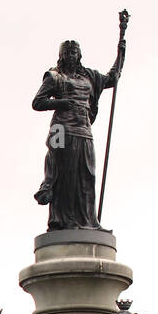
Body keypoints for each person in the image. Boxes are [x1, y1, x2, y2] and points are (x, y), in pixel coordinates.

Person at [32, 38, 125, 231]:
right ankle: (63, 220)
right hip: (61, 129)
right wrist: (60, 103)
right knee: (64, 173)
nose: (71, 55)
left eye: (74, 52)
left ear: (79, 55)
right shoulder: (54, 77)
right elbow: (38, 102)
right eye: (67, 52)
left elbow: (112, 78)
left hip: (83, 130)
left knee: (86, 175)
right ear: (61, 56)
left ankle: (89, 222)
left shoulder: (89, 76)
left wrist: (120, 53)